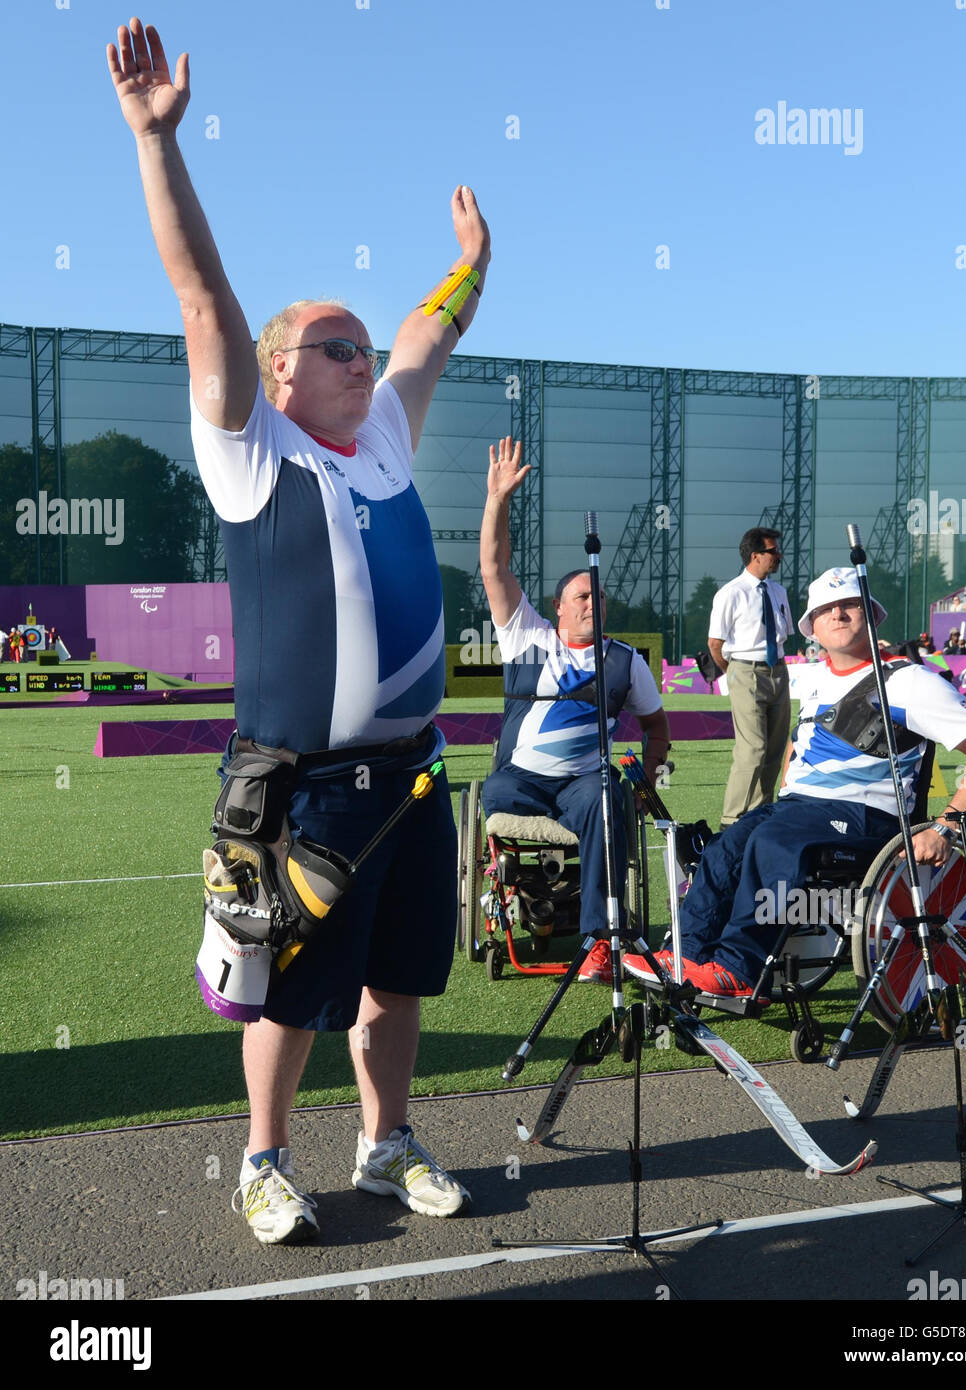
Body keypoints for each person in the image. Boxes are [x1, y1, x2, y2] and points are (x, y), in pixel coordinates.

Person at [109, 18, 490, 1244]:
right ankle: (265, 1159)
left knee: (397, 982)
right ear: (277, 371)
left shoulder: (379, 432)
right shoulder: (249, 451)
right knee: (285, 993)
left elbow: (433, 331)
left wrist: (472, 264)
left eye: (362, 347)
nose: (362, 359)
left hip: (413, 780)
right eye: (336, 347)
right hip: (302, 790)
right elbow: (198, 293)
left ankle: (385, 1145)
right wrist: (158, 144)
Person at [625, 567, 966, 997]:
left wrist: (947, 825)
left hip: (867, 816)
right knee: (726, 845)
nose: (839, 614)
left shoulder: (910, 682)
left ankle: (738, 968)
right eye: (827, 609)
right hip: (801, 808)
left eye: (849, 604)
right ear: (812, 626)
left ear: (871, 613)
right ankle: (686, 957)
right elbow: (798, 747)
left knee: (773, 840)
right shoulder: (814, 680)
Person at [478, 437, 671, 985]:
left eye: (599, 597)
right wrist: (499, 500)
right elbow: (494, 566)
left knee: (609, 798)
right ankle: (518, 896)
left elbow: (657, 726)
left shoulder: (626, 661)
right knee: (493, 798)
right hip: (518, 781)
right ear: (557, 608)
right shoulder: (526, 636)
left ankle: (597, 943)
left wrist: (649, 771)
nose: (593, 603)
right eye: (581, 597)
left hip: (583, 786)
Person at [707, 527, 794, 828]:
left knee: (774, 747)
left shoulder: (778, 591)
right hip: (745, 670)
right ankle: (731, 820)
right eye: (773, 551)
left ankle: (760, 814)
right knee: (753, 749)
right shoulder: (730, 593)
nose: (778, 556)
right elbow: (715, 644)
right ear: (755, 555)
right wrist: (733, 674)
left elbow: (784, 635)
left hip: (779, 671)